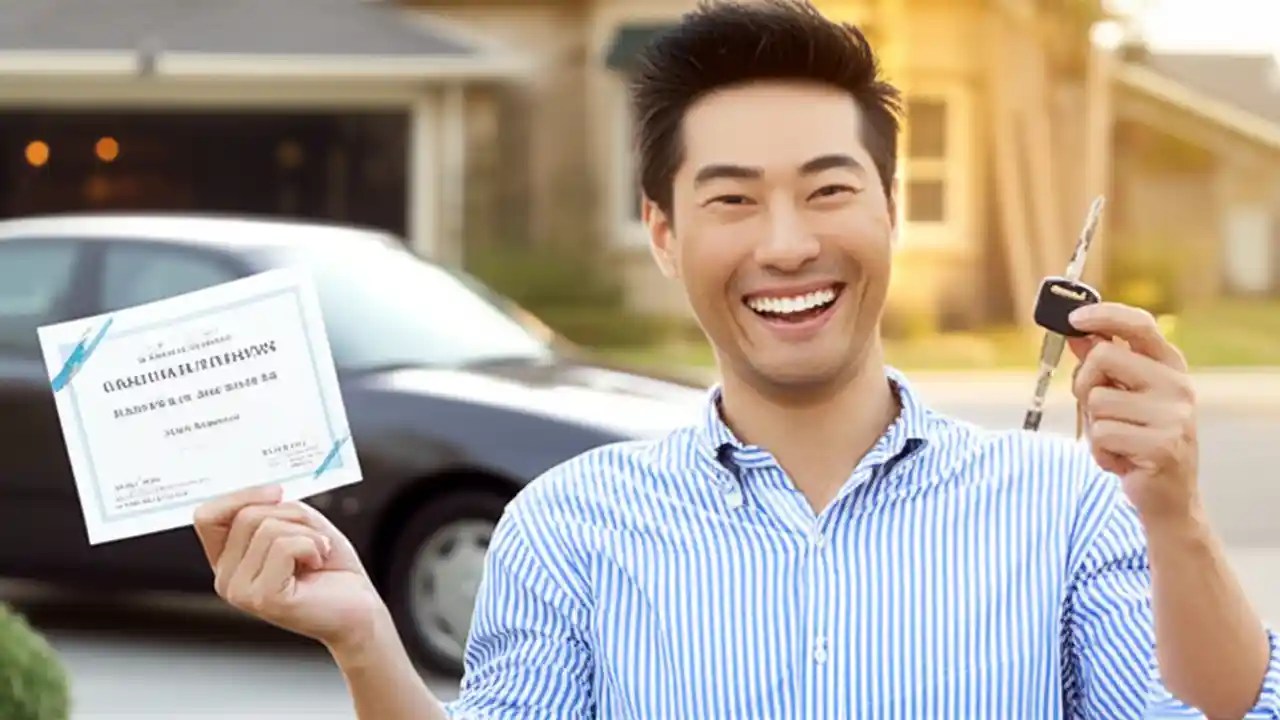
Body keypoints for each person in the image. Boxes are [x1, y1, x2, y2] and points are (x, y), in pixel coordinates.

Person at [193, 1, 1280, 717]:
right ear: (663, 232)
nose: (784, 243)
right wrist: (364, 644)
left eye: (826, 188)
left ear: (891, 209)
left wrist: (1174, 515)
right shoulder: (566, 528)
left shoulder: (1070, 507)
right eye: (730, 199)